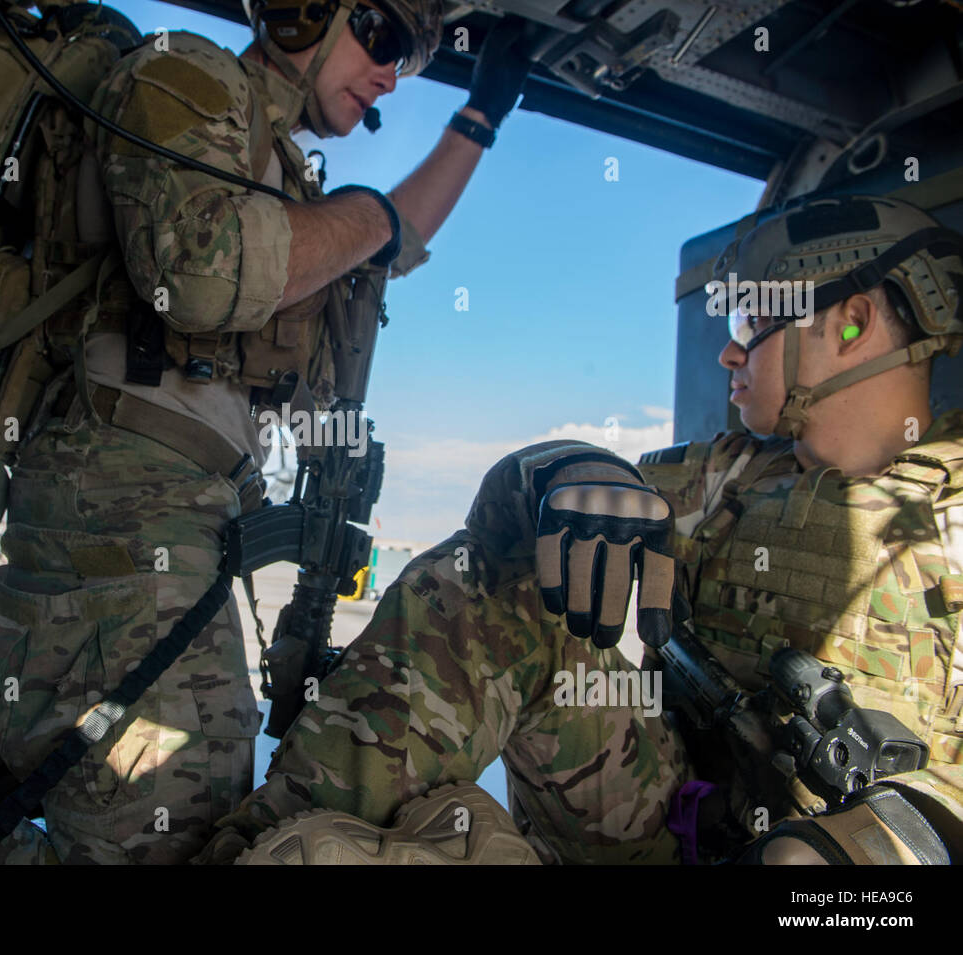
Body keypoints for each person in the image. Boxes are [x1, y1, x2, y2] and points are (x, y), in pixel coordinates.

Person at [0, 3, 538, 864]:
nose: (391, 74)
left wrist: (479, 120)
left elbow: (390, 238)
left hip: (169, 523)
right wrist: (372, 219)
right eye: (382, 37)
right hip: (118, 509)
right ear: (303, 12)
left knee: (103, 764)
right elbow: (203, 273)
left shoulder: (279, 174)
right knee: (164, 827)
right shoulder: (186, 74)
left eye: (413, 61)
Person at [197, 194, 963, 865]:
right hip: (673, 819)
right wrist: (554, 469)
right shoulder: (730, 476)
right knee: (497, 589)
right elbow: (506, 532)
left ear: (855, 321)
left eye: (754, 318)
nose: (729, 349)